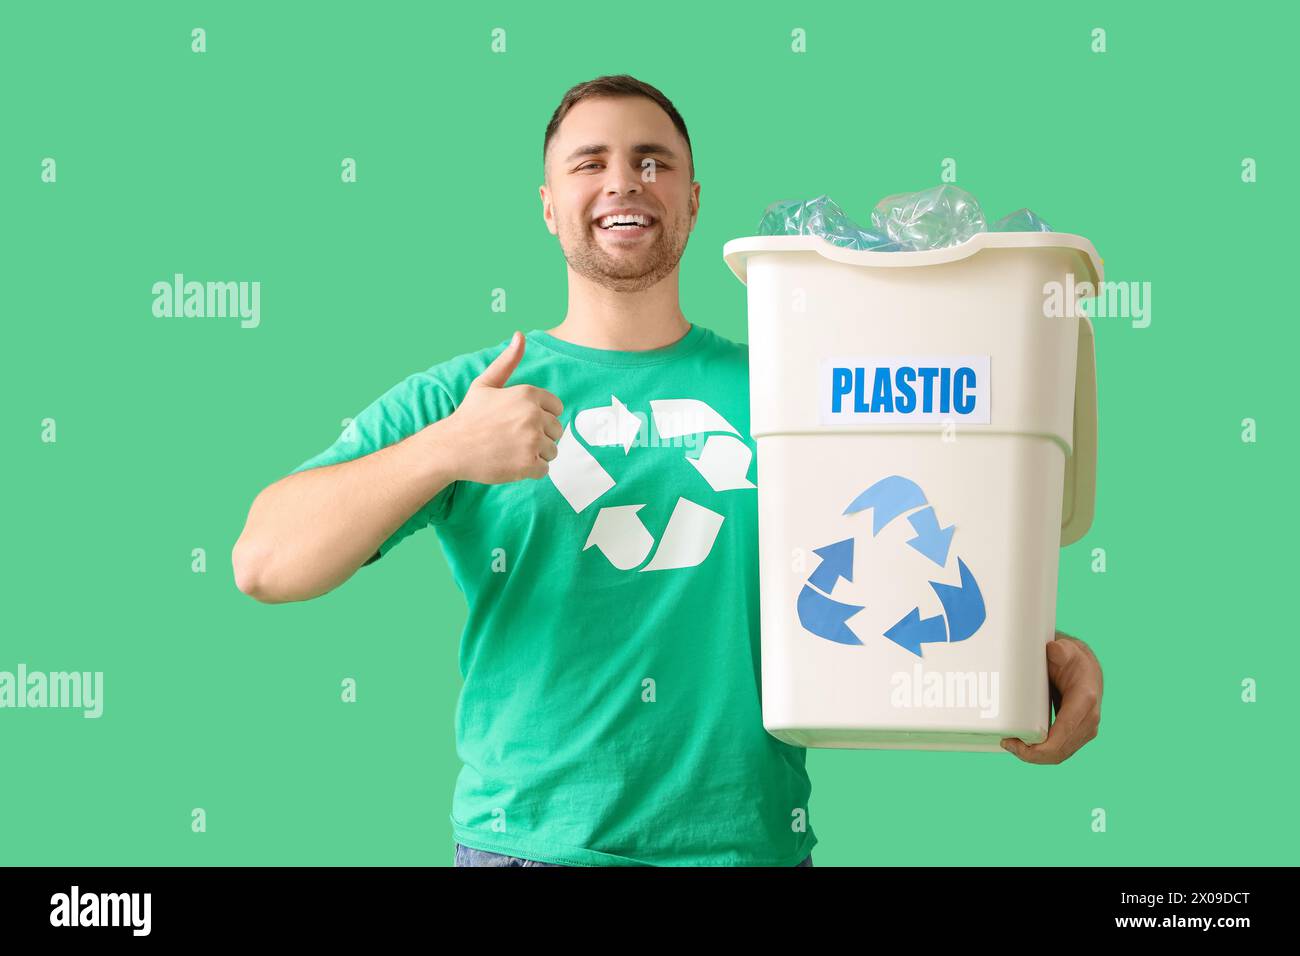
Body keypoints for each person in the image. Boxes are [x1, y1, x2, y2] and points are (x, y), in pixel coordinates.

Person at [232, 74, 1103, 867]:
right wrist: (446, 450)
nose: (624, 181)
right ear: (547, 204)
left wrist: (1031, 660)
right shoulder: (474, 394)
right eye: (590, 162)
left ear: (692, 201)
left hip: (748, 851)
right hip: (528, 851)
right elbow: (263, 561)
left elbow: (911, 538)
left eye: (653, 162)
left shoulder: (798, 388)